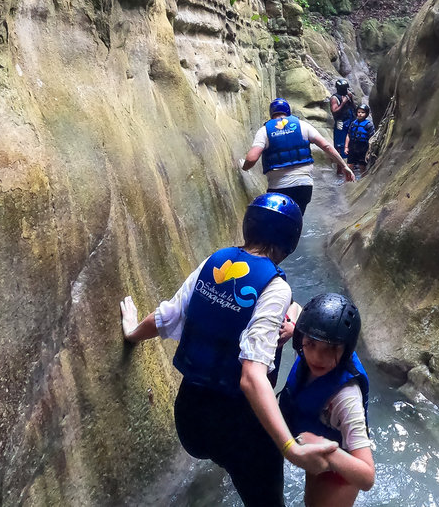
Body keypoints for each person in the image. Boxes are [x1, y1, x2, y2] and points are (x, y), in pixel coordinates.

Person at [119, 193, 337, 507]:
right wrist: (291, 448)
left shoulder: (217, 260)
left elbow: (167, 316)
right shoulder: (276, 287)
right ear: (290, 242)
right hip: (237, 425)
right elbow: (251, 377)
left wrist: (130, 334)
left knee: (229, 458)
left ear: (249, 226)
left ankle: (230, 467)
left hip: (190, 421)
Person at [279, 293, 374, 507]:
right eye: (311, 343)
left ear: (345, 350)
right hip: (319, 441)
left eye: (330, 349)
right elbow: (294, 305)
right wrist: (292, 325)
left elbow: (367, 477)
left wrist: (326, 449)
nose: (317, 357)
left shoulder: (346, 397)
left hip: (340, 468)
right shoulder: (304, 348)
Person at [242, 98, 354, 214]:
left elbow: (252, 158)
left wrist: (244, 168)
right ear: (288, 111)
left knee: (280, 223)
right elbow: (326, 146)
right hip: (304, 186)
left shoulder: (264, 131)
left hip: (278, 188)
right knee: (297, 218)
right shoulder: (303, 125)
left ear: (271, 113)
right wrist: (344, 166)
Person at [329, 79, 356, 171]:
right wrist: (343, 102)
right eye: (343, 88)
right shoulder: (334, 98)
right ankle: (339, 170)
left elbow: (354, 108)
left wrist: (350, 99)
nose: (345, 90)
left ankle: (352, 166)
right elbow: (334, 111)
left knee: (352, 144)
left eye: (346, 88)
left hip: (350, 122)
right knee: (340, 146)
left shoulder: (348, 96)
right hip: (341, 124)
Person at [344, 104, 375, 178]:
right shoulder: (353, 123)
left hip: (363, 148)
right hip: (353, 147)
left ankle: (362, 180)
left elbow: (372, 138)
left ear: (366, 114)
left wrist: (370, 151)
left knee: (362, 166)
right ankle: (348, 180)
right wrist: (346, 147)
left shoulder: (369, 125)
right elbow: (348, 135)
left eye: (362, 112)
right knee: (349, 165)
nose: (360, 114)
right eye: (359, 112)